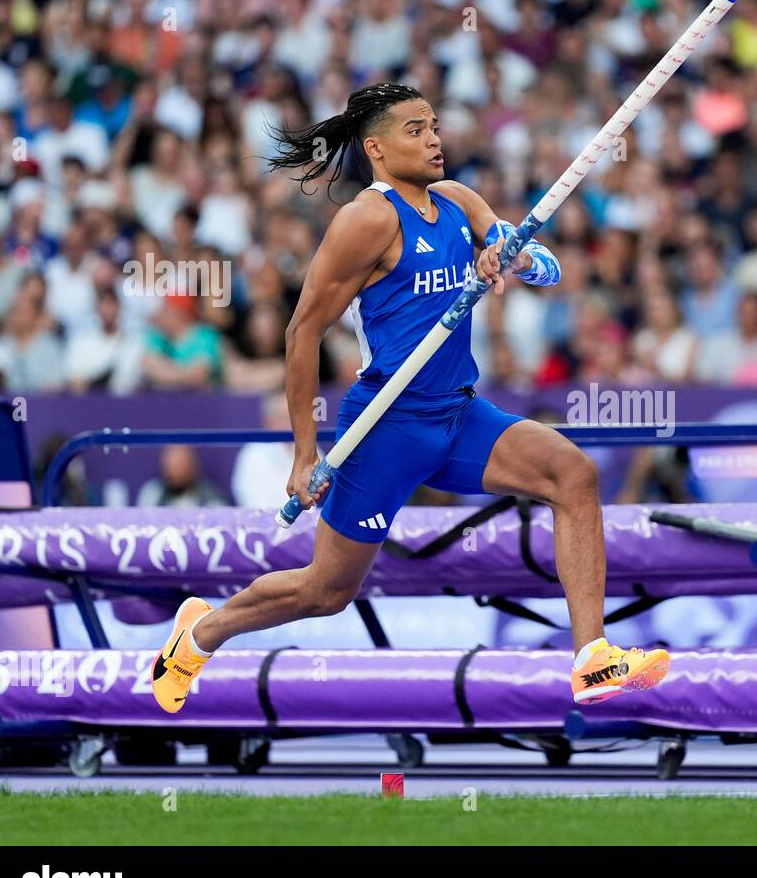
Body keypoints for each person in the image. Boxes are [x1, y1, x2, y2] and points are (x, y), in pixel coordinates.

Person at [150, 83, 669, 713]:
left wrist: (511, 257)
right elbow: (302, 332)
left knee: (572, 473)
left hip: (457, 413)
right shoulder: (367, 220)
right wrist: (303, 454)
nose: (433, 139)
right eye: (415, 130)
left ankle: (592, 658)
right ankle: (200, 634)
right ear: (376, 147)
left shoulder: (458, 200)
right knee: (325, 590)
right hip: (385, 428)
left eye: (434, 126)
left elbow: (547, 267)